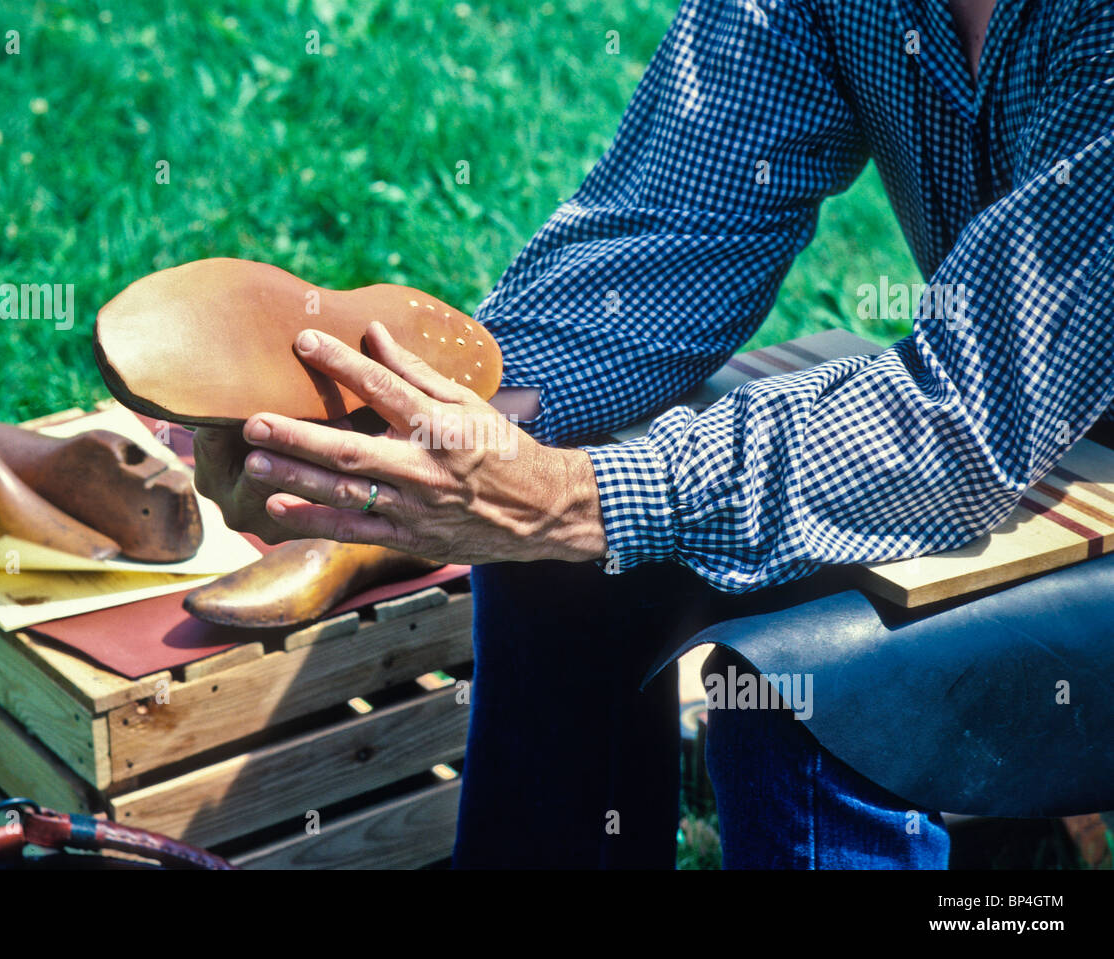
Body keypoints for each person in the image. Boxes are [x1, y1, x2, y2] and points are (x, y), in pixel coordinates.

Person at [192, 0, 1114, 868]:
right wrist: (396, 430)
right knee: (558, 555)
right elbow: (666, 243)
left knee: (817, 695)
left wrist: (572, 495)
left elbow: (960, 418)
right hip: (1037, 423)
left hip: (1010, 420)